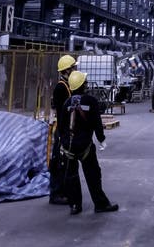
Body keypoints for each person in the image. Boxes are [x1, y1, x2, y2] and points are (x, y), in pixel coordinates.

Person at [59, 71, 118, 215]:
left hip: (69, 147)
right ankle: (100, 204)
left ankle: (75, 205)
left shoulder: (67, 103)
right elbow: (97, 123)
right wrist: (101, 139)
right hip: (85, 146)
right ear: (83, 85)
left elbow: (61, 126)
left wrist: (63, 142)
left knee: (72, 177)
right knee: (93, 175)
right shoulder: (91, 101)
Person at [48, 53, 77, 205]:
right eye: (73, 68)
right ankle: (56, 193)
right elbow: (63, 110)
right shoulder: (61, 87)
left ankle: (63, 190)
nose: (75, 70)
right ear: (66, 71)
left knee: (65, 160)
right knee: (58, 160)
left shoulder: (67, 86)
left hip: (65, 128)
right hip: (61, 128)